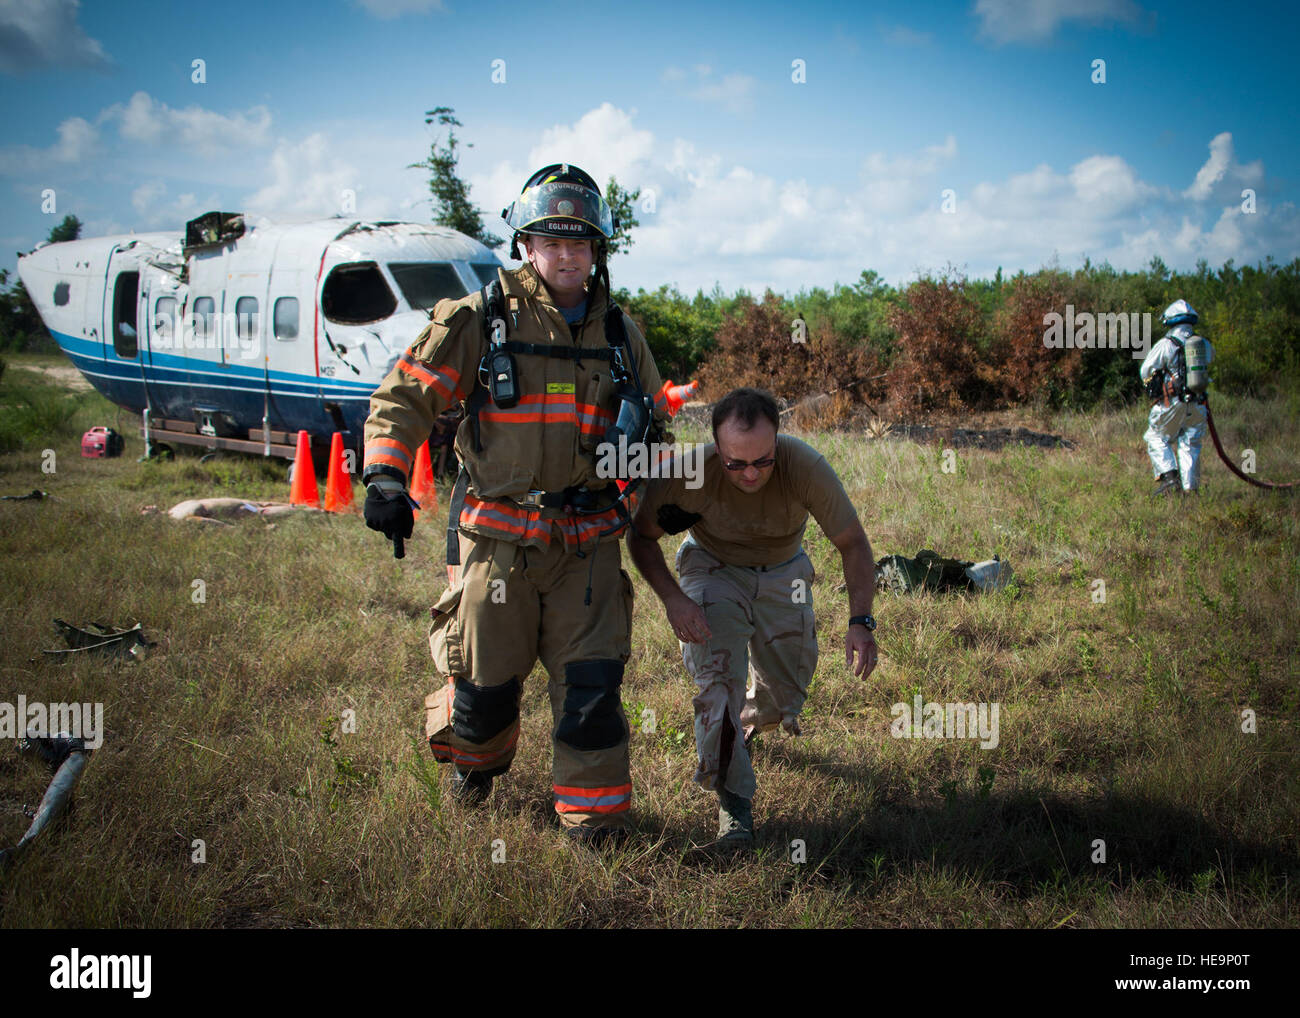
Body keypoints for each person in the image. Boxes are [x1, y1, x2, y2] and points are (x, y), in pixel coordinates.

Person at [362, 164, 668, 845]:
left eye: (580, 243)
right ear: (526, 246)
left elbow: (653, 429)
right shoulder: (479, 319)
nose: (566, 255)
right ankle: (473, 772)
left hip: (588, 546)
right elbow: (404, 396)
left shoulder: (621, 334)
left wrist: (658, 495)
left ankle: (593, 825)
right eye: (551, 241)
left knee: (592, 692)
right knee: (485, 691)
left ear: (597, 251)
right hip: (498, 544)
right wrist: (385, 476)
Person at [625, 387, 877, 847]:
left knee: (785, 698)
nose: (749, 474)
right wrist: (673, 599)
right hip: (712, 568)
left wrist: (861, 620)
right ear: (716, 448)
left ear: (777, 443)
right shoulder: (688, 472)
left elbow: (854, 544)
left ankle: (748, 722)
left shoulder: (804, 467)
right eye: (734, 463)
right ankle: (734, 801)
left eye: (762, 461)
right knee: (716, 679)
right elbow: (641, 538)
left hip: (785, 573)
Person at [1139, 299, 1215, 495]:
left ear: (1170, 321)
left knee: (1156, 436)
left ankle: (1170, 479)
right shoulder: (1203, 343)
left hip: (1173, 401)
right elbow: (1210, 358)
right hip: (1199, 403)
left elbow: (1145, 370)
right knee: (1190, 444)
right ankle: (1191, 490)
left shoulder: (1166, 344)